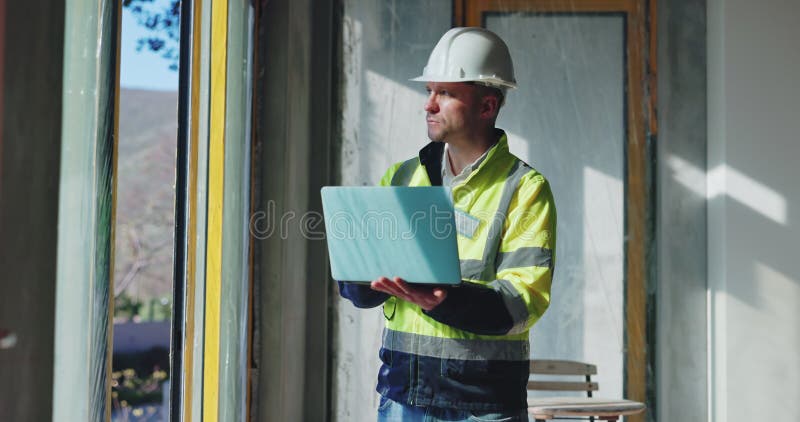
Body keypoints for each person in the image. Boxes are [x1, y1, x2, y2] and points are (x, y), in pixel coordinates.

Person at [339, 27, 556, 422]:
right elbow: (362, 290)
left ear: (487, 106)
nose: (429, 105)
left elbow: (524, 303)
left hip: (483, 406)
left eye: (446, 93)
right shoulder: (401, 178)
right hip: (405, 399)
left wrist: (445, 299)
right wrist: (359, 279)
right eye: (429, 92)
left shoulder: (524, 190)